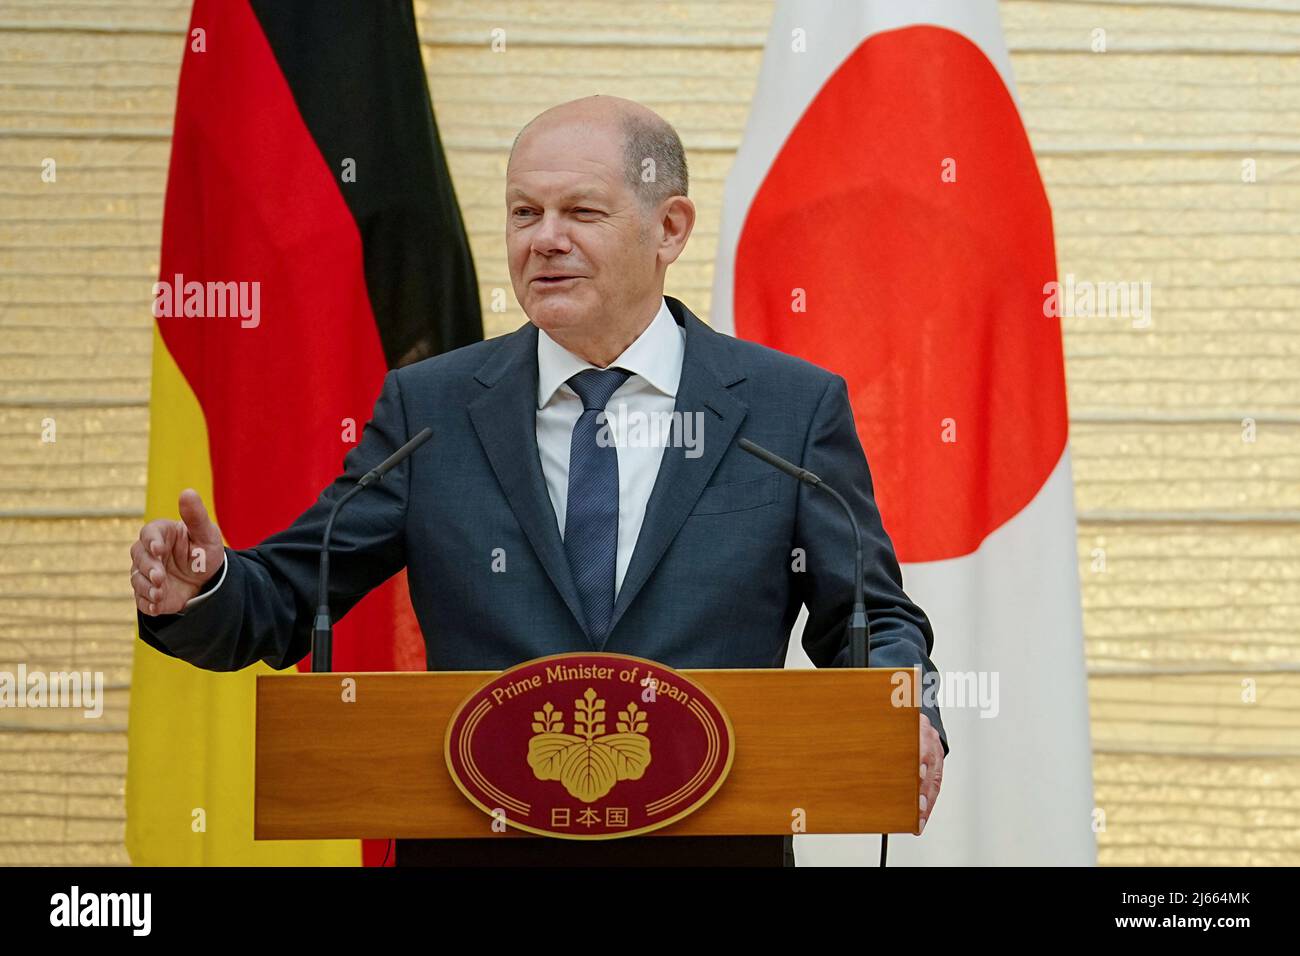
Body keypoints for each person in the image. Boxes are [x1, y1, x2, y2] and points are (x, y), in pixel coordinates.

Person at [130, 94, 946, 866]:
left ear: (670, 228)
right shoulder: (433, 408)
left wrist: (905, 709)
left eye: (581, 212)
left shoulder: (786, 409)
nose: (543, 239)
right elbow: (287, 594)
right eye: (524, 212)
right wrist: (205, 588)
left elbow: (865, 617)